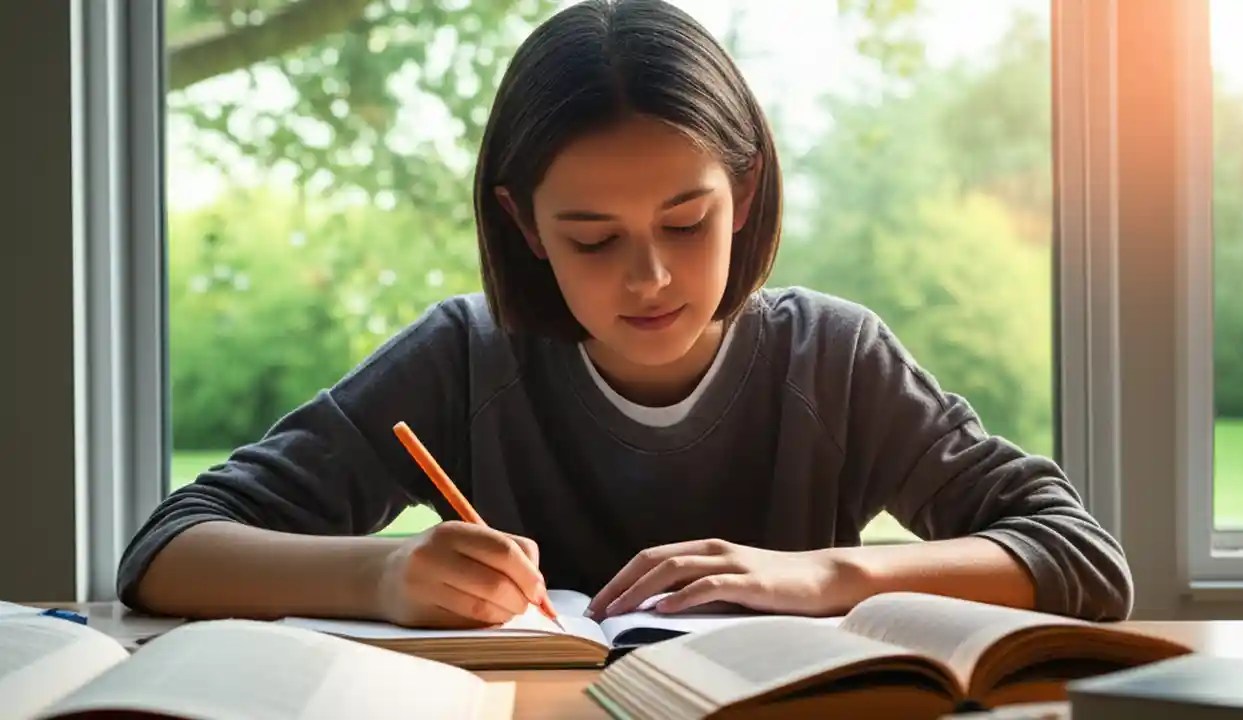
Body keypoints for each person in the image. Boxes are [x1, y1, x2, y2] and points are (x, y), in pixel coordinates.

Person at [119, 0, 1133, 629]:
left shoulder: (829, 358)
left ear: (744, 190)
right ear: (521, 225)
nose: (648, 278)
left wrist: (824, 575)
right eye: (593, 239)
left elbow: (1083, 560)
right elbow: (165, 554)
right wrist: (385, 576)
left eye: (687, 222)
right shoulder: (464, 360)